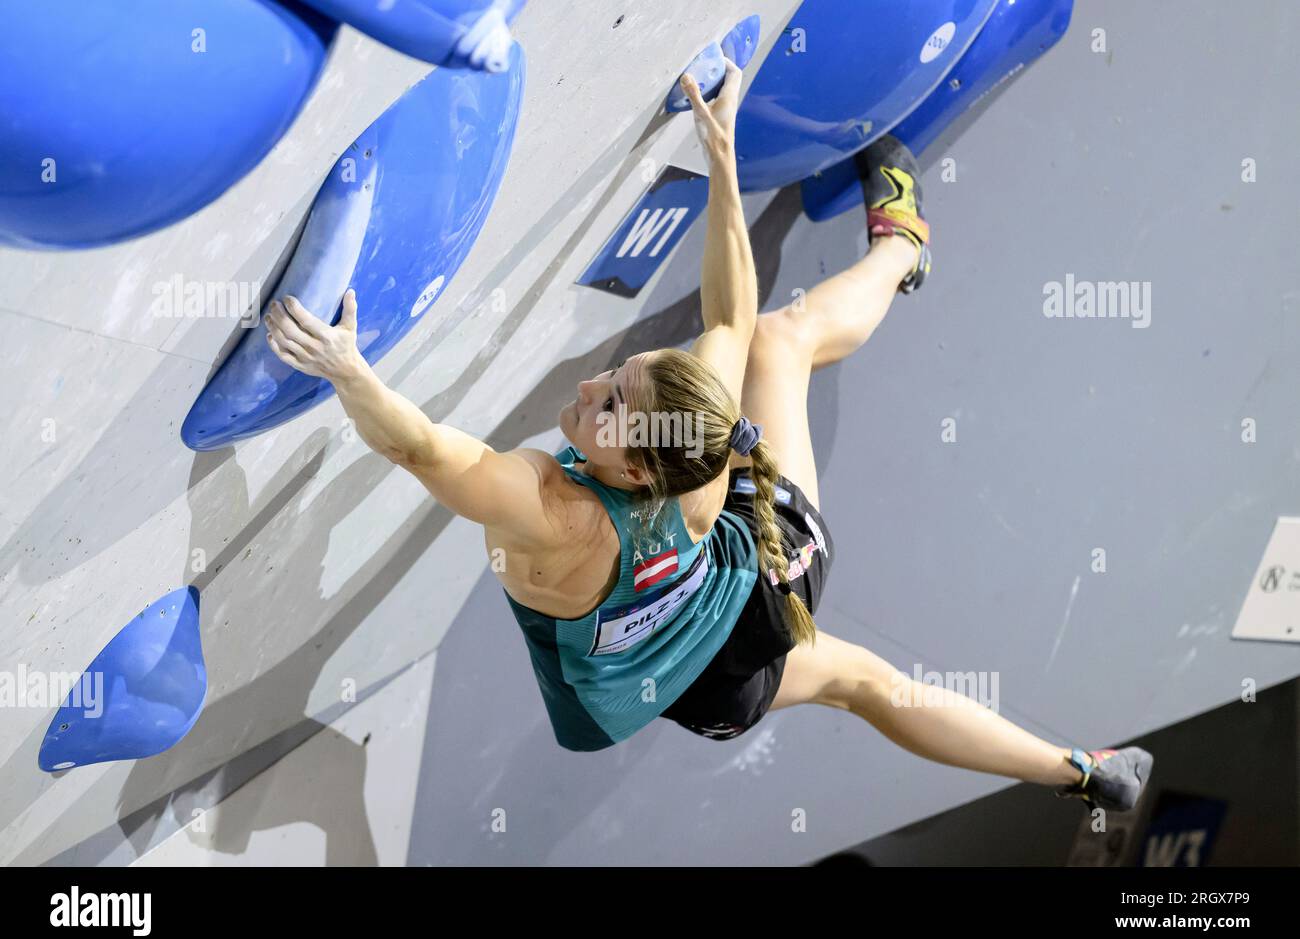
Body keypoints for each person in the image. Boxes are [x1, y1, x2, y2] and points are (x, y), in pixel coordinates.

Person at [263, 59, 1152, 812]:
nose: (587, 387)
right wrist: (721, 162)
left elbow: (423, 448)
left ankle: (901, 248)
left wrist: (349, 369)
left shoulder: (557, 509)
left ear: (645, 470)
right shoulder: (695, 453)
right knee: (775, 351)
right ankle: (1080, 773)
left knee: (787, 358)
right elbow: (727, 313)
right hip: (762, 584)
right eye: (615, 376)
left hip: (730, 638)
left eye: (609, 407)